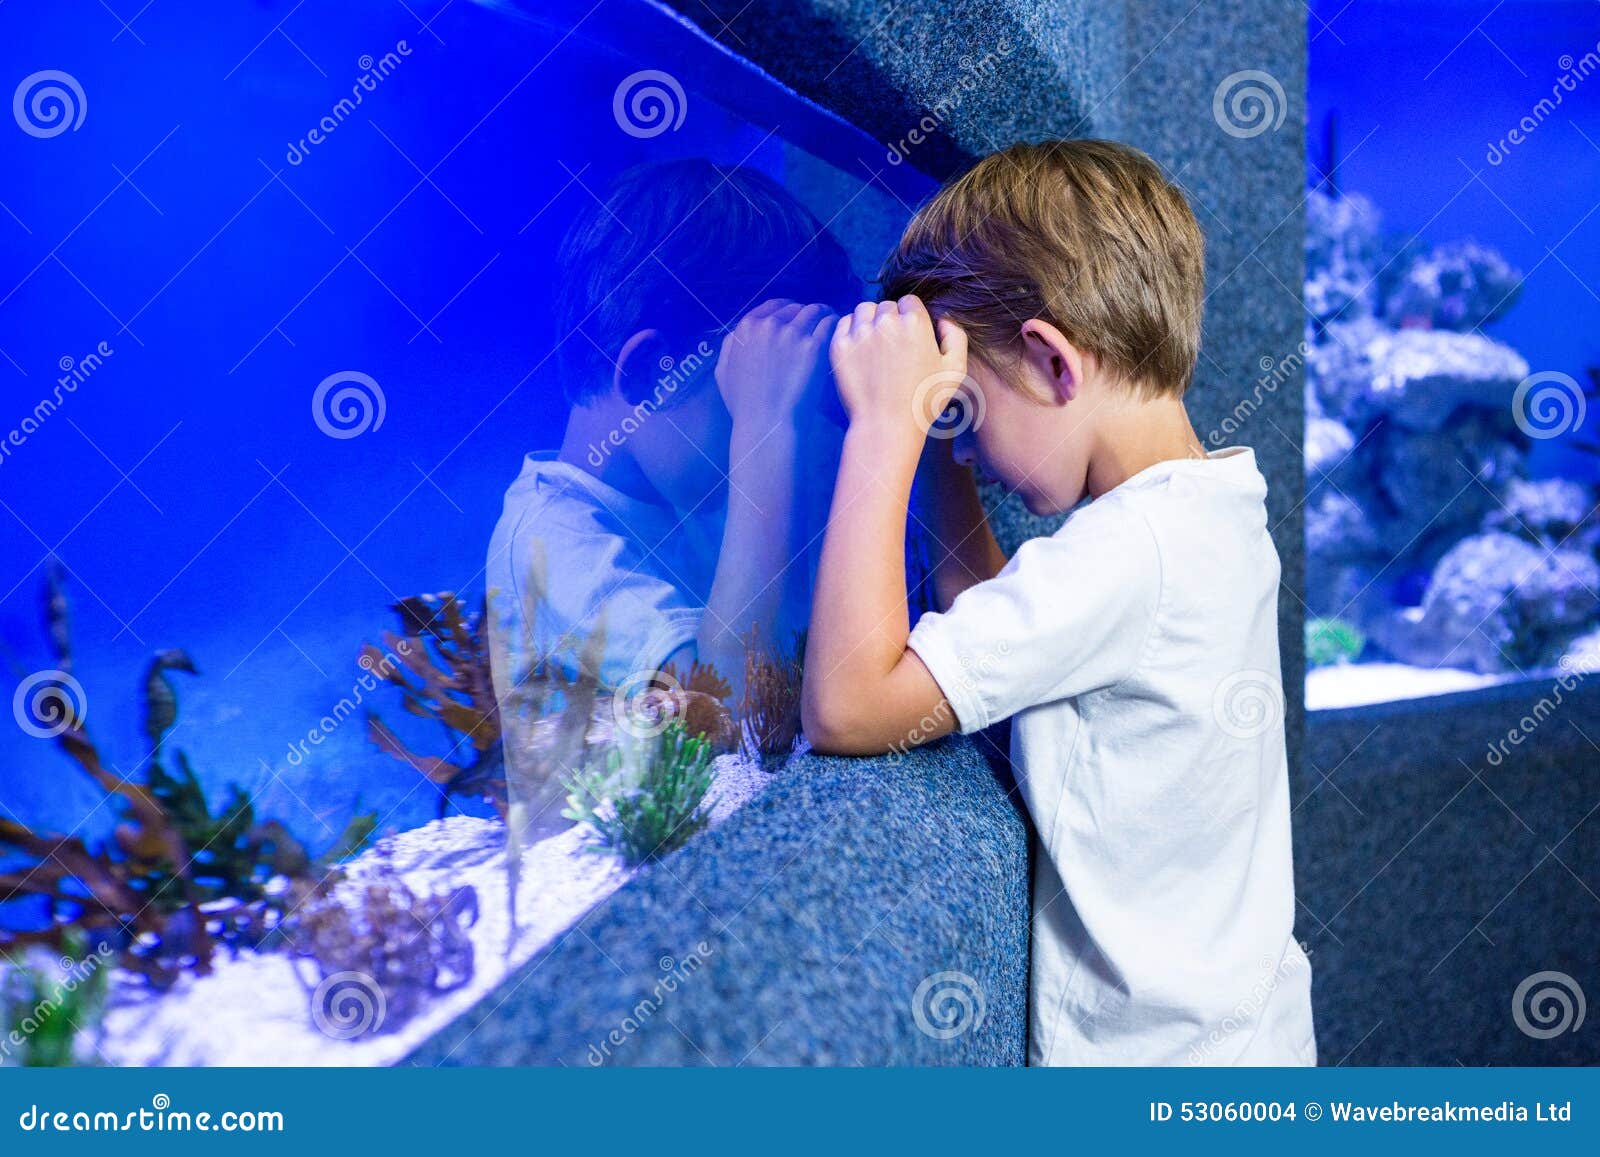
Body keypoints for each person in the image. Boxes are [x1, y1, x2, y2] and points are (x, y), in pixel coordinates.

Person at [801, 139, 1316, 1066]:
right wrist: (941, 467)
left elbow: (848, 707)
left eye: (967, 409)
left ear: (1053, 362)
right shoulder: (1210, 509)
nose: (966, 444)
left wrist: (886, 428)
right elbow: (1009, 628)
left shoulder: (1129, 552)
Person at [487, 158, 853, 838]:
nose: (779, 436)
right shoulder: (548, 542)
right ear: (655, 371)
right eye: (745, 396)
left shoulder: (687, 494)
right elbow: (741, 711)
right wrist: (765, 429)